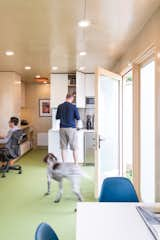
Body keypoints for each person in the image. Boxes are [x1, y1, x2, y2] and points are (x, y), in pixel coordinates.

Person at [56, 93, 80, 164]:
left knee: (63, 148)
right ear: (72, 98)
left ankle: (64, 164)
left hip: (62, 128)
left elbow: (57, 117)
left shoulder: (60, 106)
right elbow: (78, 118)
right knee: (75, 147)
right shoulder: (73, 106)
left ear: (66, 97)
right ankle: (76, 164)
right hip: (71, 129)